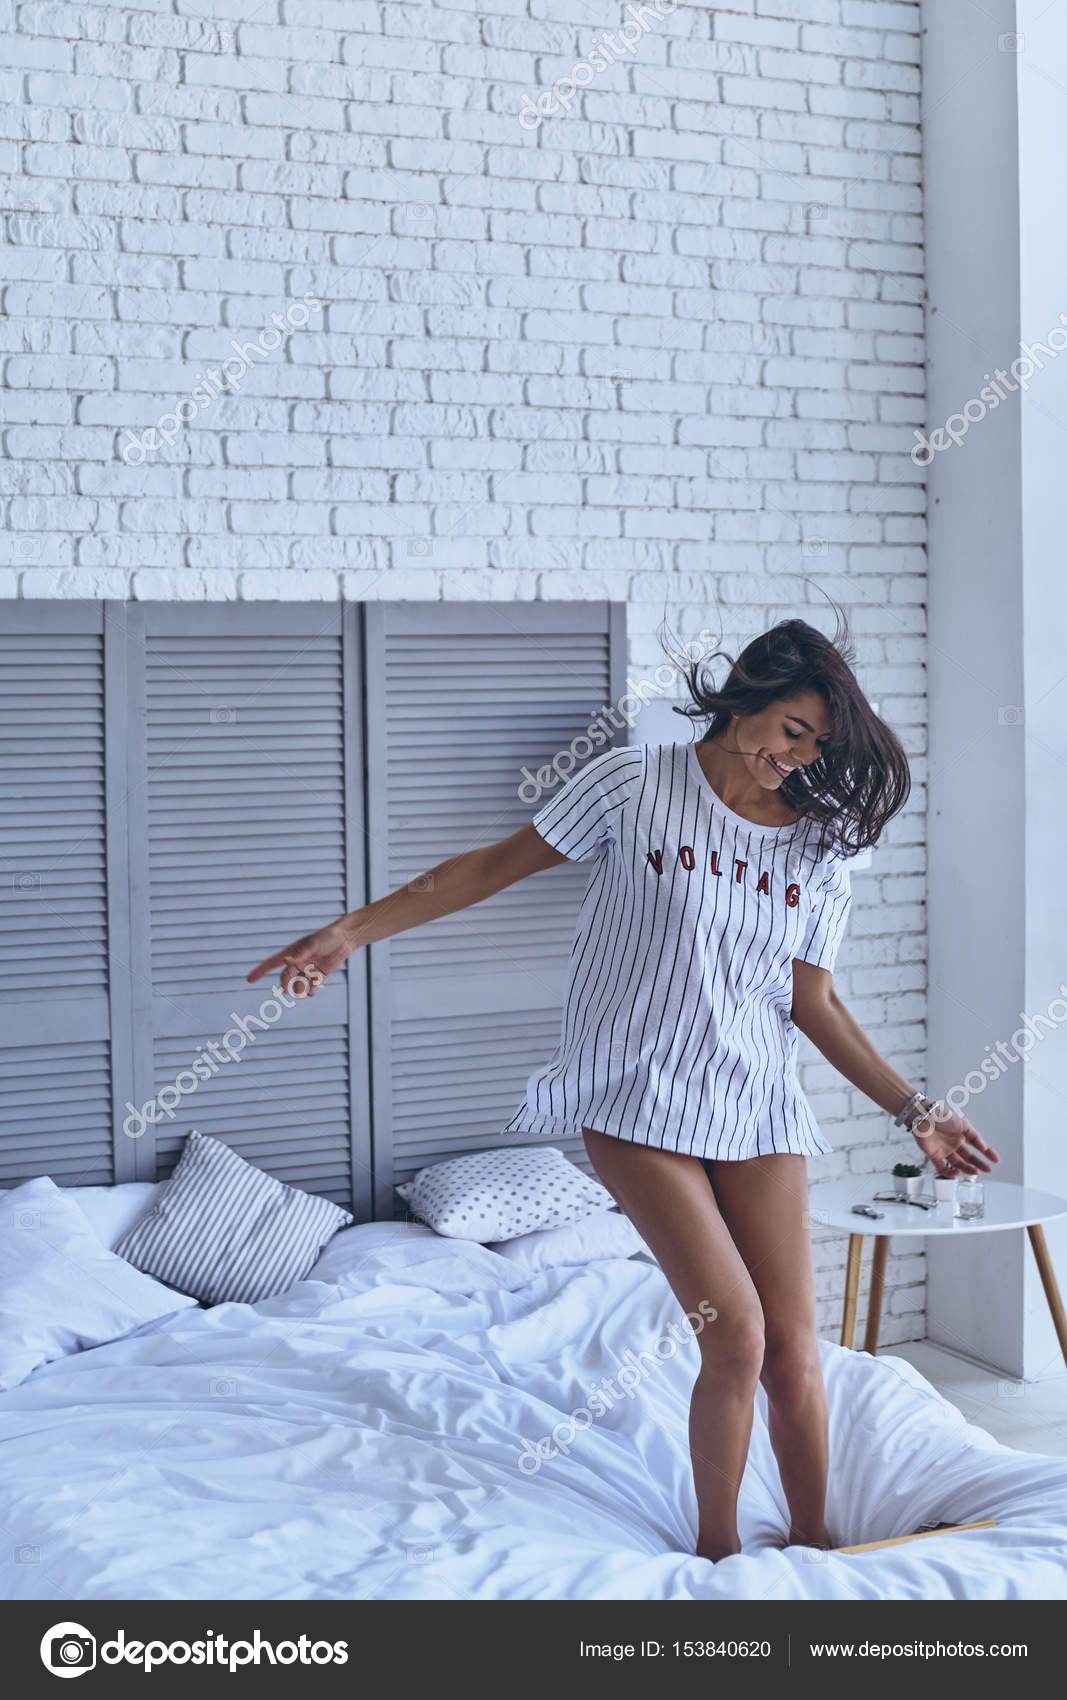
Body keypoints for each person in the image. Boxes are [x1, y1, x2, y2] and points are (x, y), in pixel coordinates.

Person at [248, 616, 998, 1560]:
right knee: (735, 1336)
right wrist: (346, 933)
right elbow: (487, 869)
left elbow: (814, 1003)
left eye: (819, 744)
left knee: (793, 1351)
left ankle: (814, 1547)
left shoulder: (816, 848)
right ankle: (719, 1554)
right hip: (635, 1102)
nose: (798, 756)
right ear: (746, 699)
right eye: (791, 730)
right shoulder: (633, 783)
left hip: (755, 1105)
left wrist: (916, 1110)